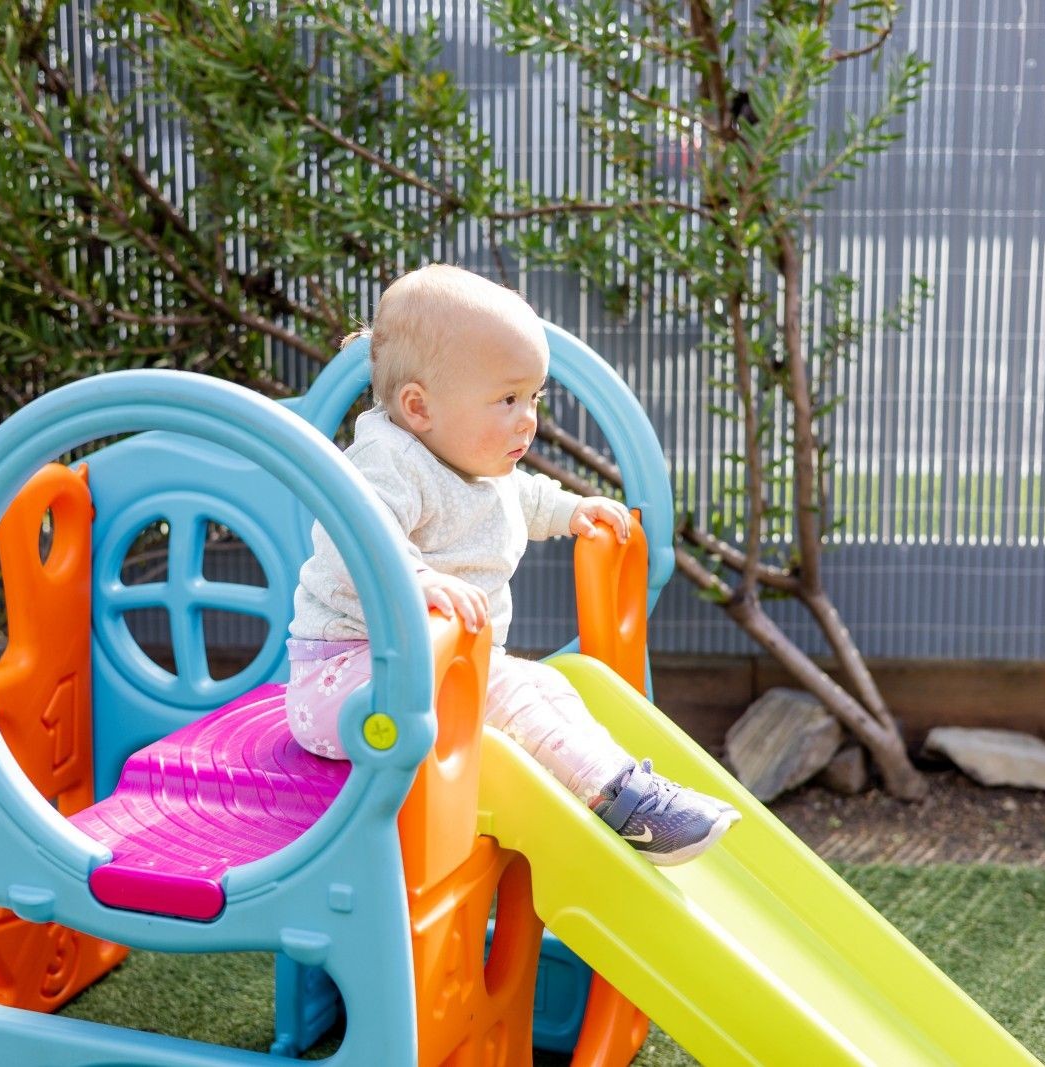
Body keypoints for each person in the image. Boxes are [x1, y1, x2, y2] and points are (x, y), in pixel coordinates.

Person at [287, 264, 737, 866]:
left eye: (533, 397)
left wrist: (573, 510)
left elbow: (521, 497)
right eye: (507, 399)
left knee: (547, 683)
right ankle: (617, 798)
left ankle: (617, 782)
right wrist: (418, 580)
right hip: (345, 685)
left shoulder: (468, 459)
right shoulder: (385, 461)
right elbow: (356, 541)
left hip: (431, 675)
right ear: (419, 407)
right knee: (501, 687)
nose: (529, 417)